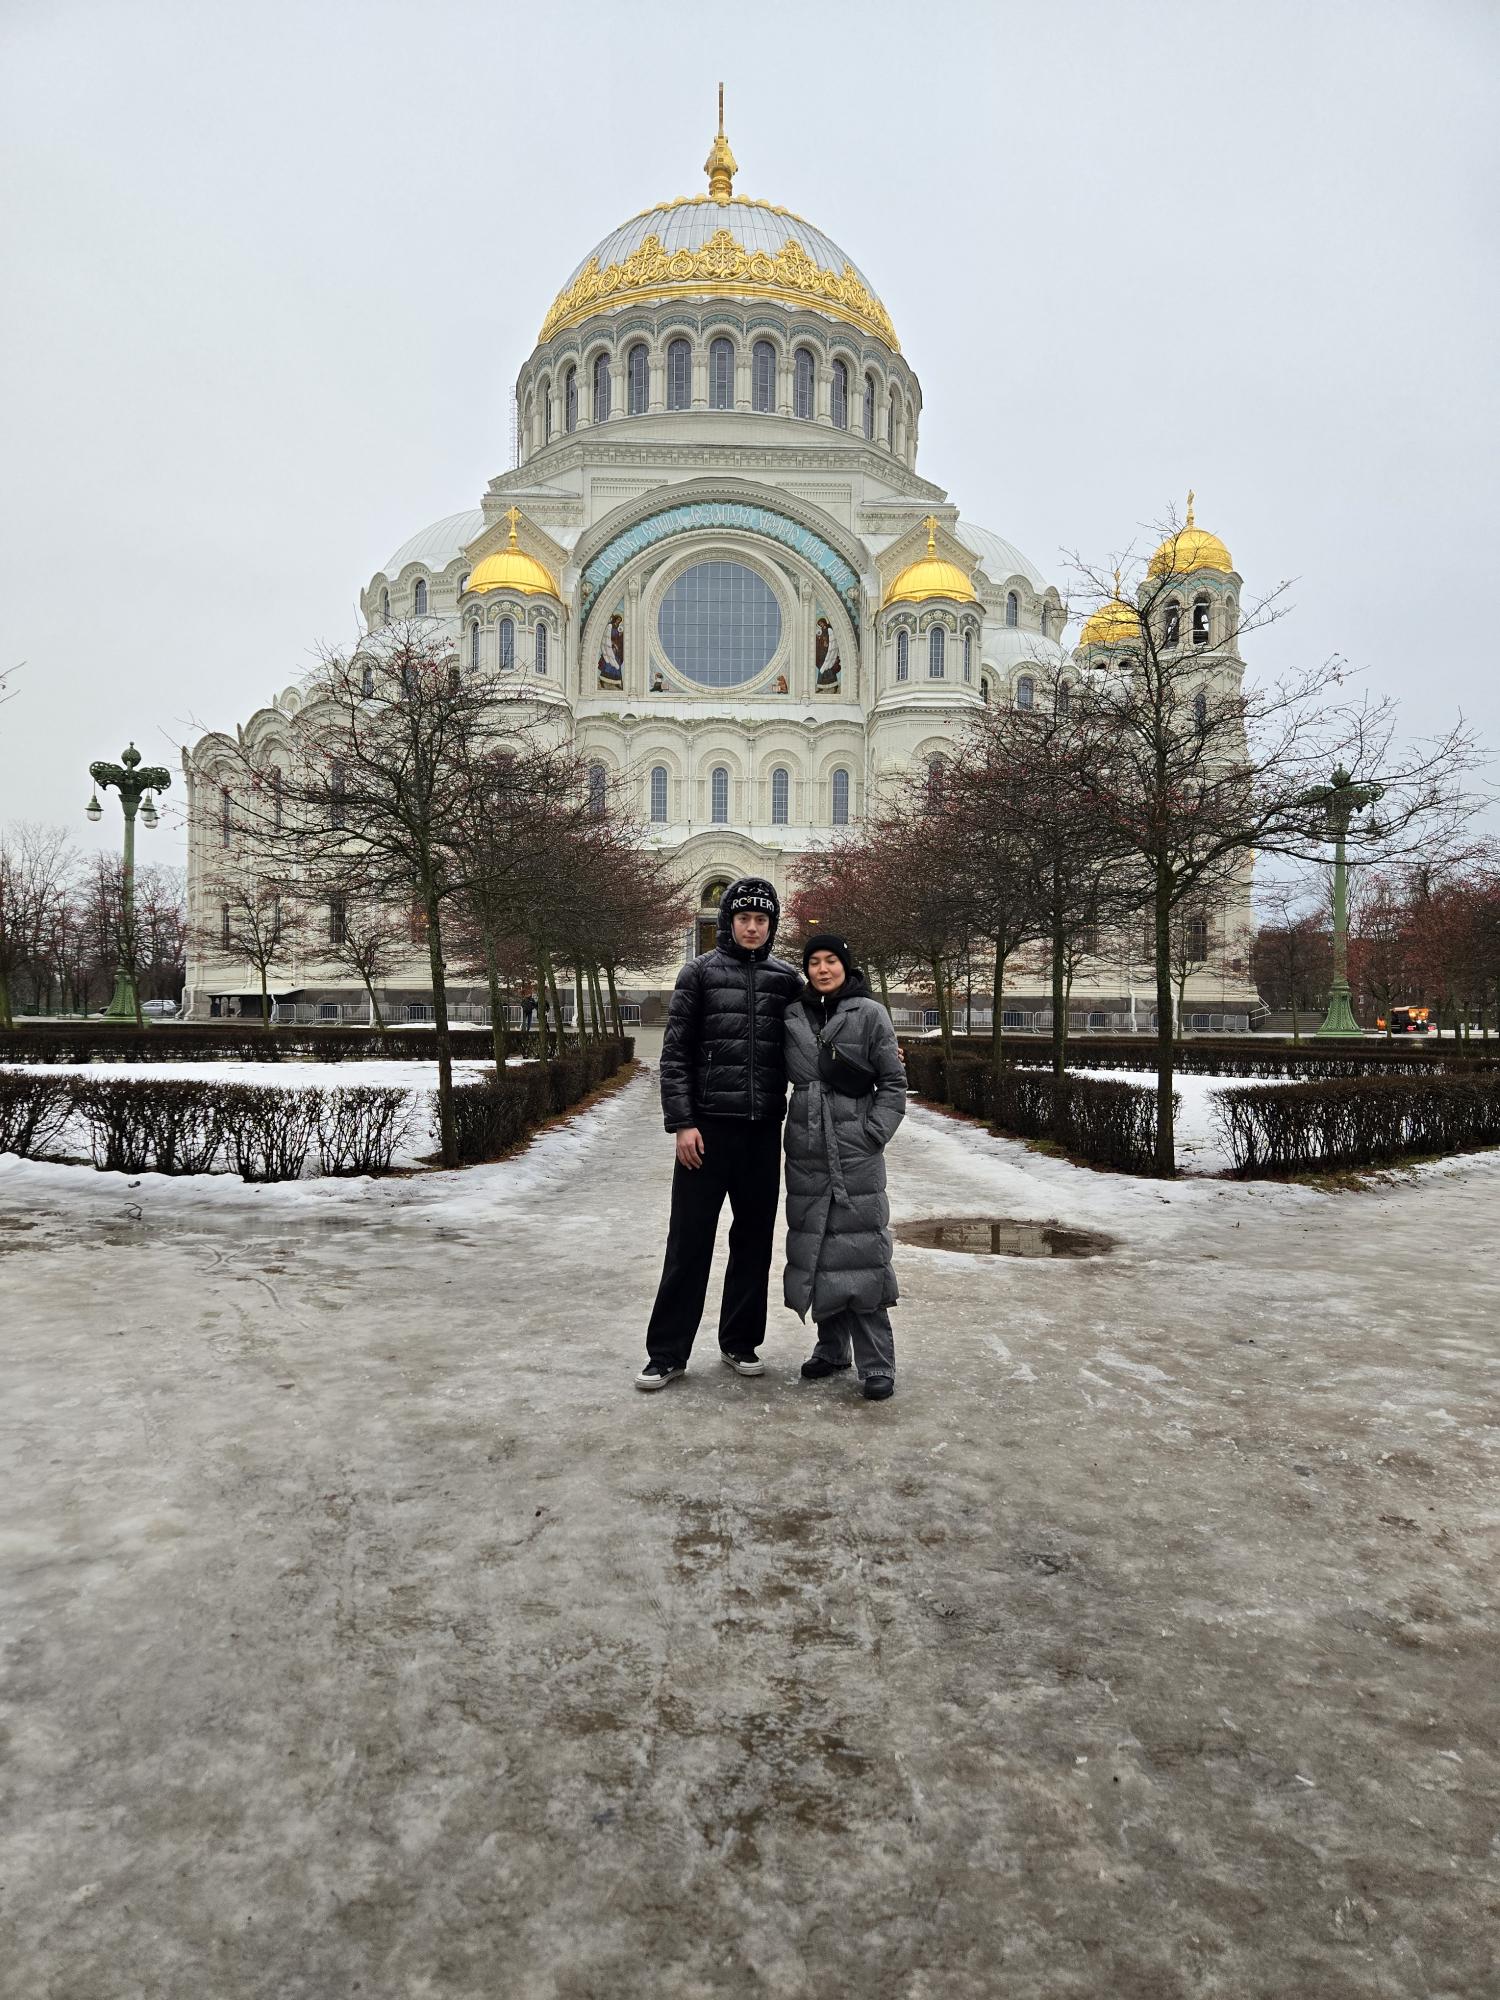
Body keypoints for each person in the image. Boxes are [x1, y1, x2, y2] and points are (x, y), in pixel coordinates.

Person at [636, 878, 802, 1391]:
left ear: (771, 926)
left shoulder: (786, 980)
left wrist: (876, 1056)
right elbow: (675, 1057)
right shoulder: (698, 974)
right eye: (744, 918)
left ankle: (740, 1342)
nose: (753, 927)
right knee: (689, 1244)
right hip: (705, 1134)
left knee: (753, 1244)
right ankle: (666, 1353)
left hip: (761, 1133)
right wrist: (682, 1123)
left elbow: (822, 1036)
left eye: (762, 920)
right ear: (729, 921)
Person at [782, 932, 906, 1401]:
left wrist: (872, 1133)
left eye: (831, 960)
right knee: (818, 1247)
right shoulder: (792, 1014)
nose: (822, 968)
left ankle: (877, 1362)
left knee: (862, 1252)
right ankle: (832, 1349)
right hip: (807, 1147)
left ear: (846, 966)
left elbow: (894, 1084)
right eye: (814, 961)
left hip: (855, 1148)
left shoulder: (870, 1013)